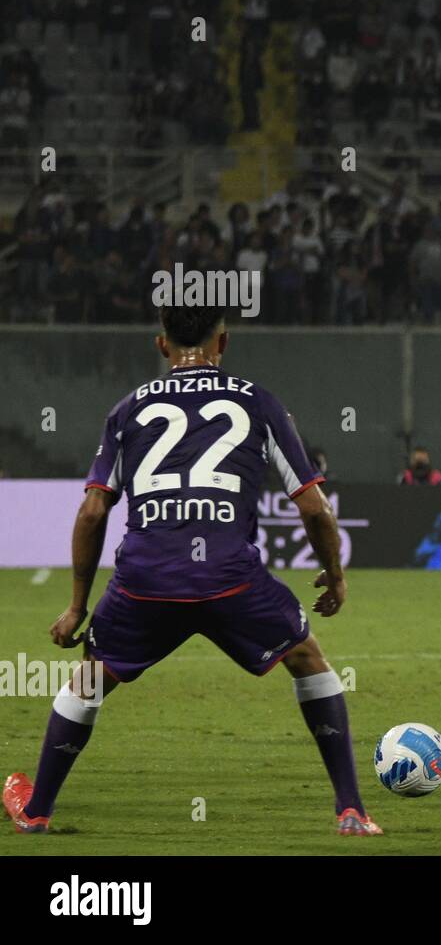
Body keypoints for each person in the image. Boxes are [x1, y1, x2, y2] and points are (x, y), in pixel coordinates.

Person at [3, 302, 381, 836]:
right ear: (222, 343)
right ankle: (352, 811)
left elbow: (92, 511)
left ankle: (37, 811)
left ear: (161, 345)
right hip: (231, 578)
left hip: (146, 581)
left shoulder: (129, 409)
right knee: (307, 659)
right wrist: (335, 575)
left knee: (88, 679)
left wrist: (76, 607)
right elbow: (314, 507)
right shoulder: (259, 403)